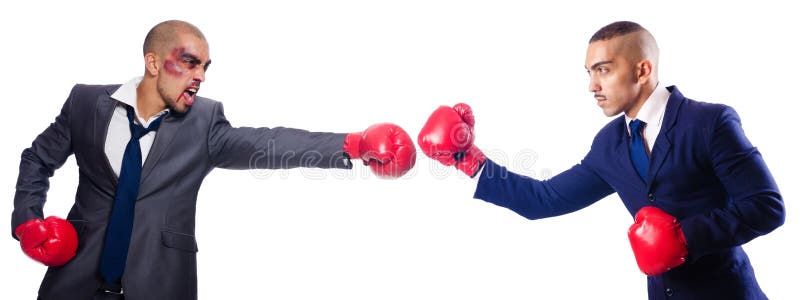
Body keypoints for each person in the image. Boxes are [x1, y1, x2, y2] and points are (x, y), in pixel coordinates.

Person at [11, 20, 416, 300]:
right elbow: (37, 158)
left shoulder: (203, 122)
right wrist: (28, 220)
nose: (200, 75)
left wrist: (354, 143)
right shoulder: (86, 102)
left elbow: (266, 143)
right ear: (153, 63)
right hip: (74, 277)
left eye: (205, 66)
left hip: (160, 283)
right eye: (189, 62)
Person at [417, 21, 784, 299]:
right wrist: (468, 159)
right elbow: (544, 200)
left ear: (642, 71)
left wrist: (686, 237)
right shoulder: (609, 145)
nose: (592, 86)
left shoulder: (709, 122)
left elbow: (766, 206)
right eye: (590, 72)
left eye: (603, 70)